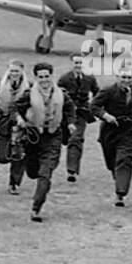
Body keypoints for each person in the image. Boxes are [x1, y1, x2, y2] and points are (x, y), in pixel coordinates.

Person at [13, 61, 75, 223]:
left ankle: (36, 208)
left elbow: (69, 108)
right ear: (36, 77)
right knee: (33, 172)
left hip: (53, 136)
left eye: (47, 76)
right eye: (40, 77)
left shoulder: (61, 94)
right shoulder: (28, 94)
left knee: (45, 174)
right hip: (33, 136)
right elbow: (16, 108)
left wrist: (70, 123)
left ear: (51, 76)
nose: (44, 80)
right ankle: (30, 169)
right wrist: (20, 120)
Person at [91, 63, 132, 207]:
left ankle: (120, 193)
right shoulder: (108, 91)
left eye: (129, 77)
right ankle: (118, 179)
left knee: (125, 159)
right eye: (123, 77)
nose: (126, 80)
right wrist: (105, 115)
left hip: (129, 130)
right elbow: (94, 106)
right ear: (117, 76)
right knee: (112, 162)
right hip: (110, 131)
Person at [0, 60, 31, 195]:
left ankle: (14, 183)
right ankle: (6, 154)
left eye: (17, 71)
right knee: (2, 157)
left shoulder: (29, 86)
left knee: (19, 154)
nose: (14, 74)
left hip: (20, 123)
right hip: (3, 120)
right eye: (12, 71)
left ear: (22, 72)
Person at [57, 53, 99, 183]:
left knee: (75, 139)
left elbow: (97, 93)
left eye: (81, 63)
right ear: (72, 64)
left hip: (81, 114)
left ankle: (72, 171)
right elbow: (57, 96)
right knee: (65, 140)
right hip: (66, 115)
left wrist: (92, 106)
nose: (79, 66)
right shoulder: (64, 79)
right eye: (76, 63)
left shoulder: (90, 79)